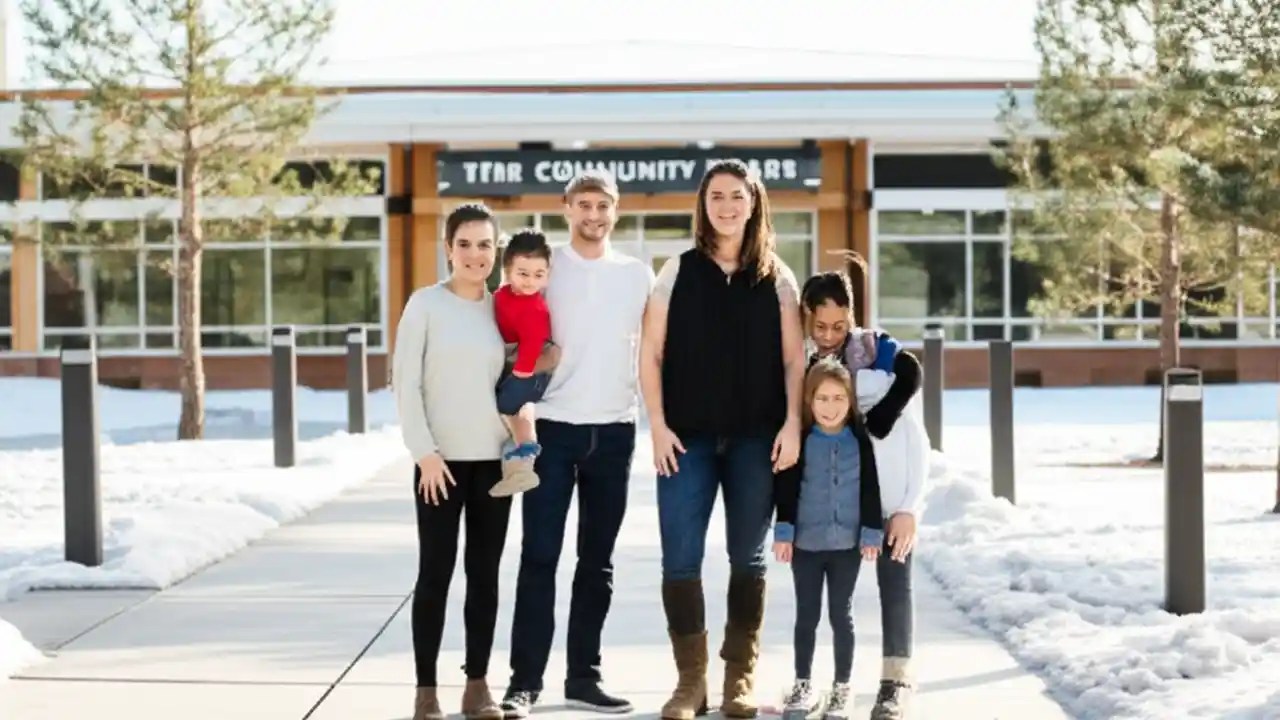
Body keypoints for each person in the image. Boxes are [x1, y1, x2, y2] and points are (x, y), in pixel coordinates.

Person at [639, 159, 805, 720]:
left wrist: (791, 425)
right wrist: (657, 425)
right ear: (703, 204)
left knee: (748, 559)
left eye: (737, 195)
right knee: (680, 559)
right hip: (684, 441)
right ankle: (691, 683)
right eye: (717, 196)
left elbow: (792, 362)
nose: (727, 206)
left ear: (754, 202)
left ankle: (740, 676)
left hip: (758, 441)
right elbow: (651, 354)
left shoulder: (779, 278)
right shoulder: (676, 272)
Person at [502, 171, 654, 717]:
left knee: (598, 563)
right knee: (540, 557)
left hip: (614, 432)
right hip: (554, 429)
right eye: (584, 204)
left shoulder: (638, 274)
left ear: (617, 210)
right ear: (566, 208)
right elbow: (506, 317)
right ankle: (524, 681)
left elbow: (653, 352)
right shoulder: (548, 267)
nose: (594, 214)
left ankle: (584, 676)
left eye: (603, 205)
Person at [392, 203, 511, 720]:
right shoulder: (424, 305)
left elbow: (522, 378)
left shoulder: (504, 308)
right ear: (448, 248)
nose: (475, 254)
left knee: (484, 577)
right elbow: (406, 384)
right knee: (435, 575)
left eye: (485, 244)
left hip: (493, 465)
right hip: (438, 466)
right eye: (465, 244)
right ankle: (426, 693)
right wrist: (425, 454)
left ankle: (477, 686)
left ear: (496, 250)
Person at [799, 267, 925, 720]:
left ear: (851, 317)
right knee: (829, 605)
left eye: (839, 325)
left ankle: (896, 682)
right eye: (821, 327)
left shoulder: (873, 354)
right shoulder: (805, 368)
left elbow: (913, 416)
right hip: (834, 506)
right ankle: (825, 683)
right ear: (806, 319)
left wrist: (908, 507)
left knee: (895, 586)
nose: (830, 336)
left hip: (888, 501)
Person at [771, 358, 885, 720]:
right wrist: (784, 532)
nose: (830, 407)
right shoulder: (801, 441)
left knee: (841, 614)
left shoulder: (860, 442)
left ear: (850, 401)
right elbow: (786, 489)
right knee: (807, 615)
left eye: (838, 399)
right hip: (806, 544)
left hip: (847, 546)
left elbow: (871, 489)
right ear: (809, 401)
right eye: (822, 399)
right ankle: (802, 684)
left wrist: (871, 531)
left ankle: (842, 687)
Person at [490, 228, 554, 497]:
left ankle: (526, 451)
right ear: (507, 270)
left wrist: (521, 372)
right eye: (523, 274)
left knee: (509, 403)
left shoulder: (536, 308)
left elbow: (533, 343)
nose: (530, 282)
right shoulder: (502, 295)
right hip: (513, 359)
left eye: (539, 275)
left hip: (533, 367)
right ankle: (517, 469)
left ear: (547, 274)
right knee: (507, 408)